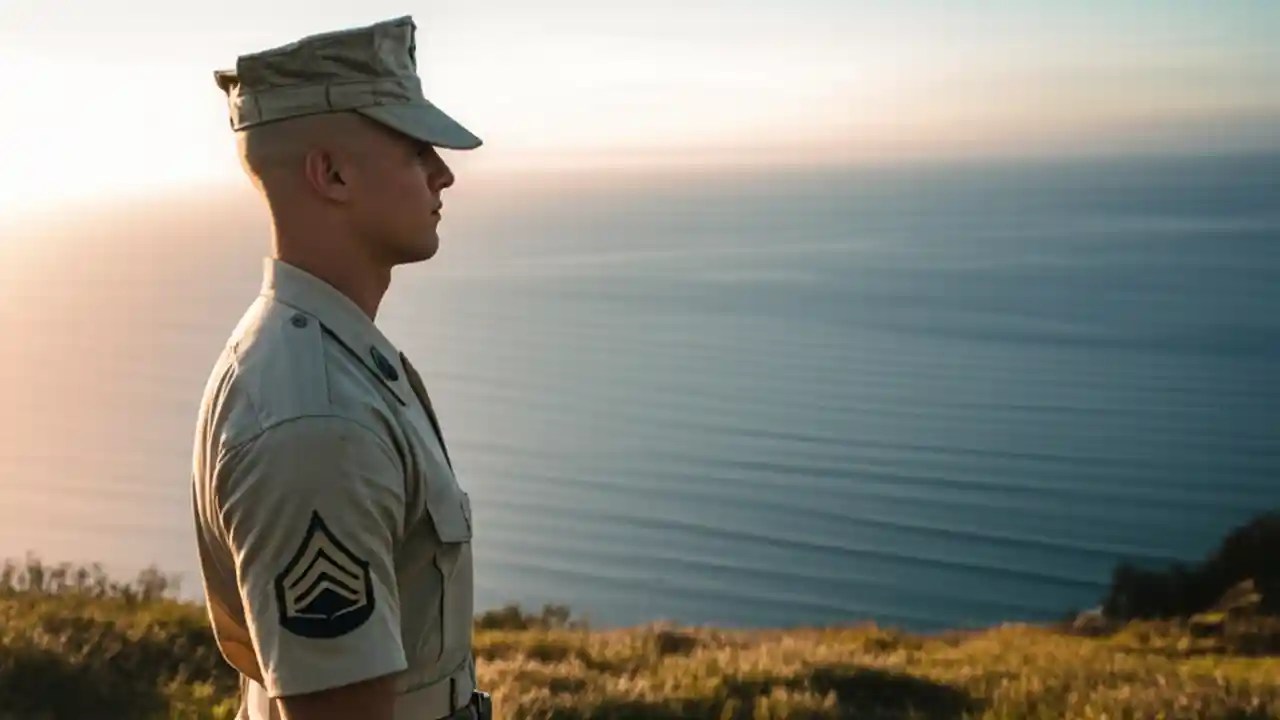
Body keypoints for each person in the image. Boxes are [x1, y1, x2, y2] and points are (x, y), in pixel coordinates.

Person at [191, 15, 490, 720]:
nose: (443, 171)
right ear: (331, 172)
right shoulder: (317, 420)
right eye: (417, 148)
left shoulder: (324, 359)